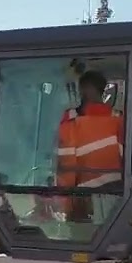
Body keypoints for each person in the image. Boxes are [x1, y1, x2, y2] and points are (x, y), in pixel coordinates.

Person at [54, 69, 125, 222]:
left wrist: (67, 206)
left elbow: (66, 167)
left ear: (85, 90)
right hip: (118, 199)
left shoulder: (71, 121)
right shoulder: (119, 119)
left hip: (83, 201)